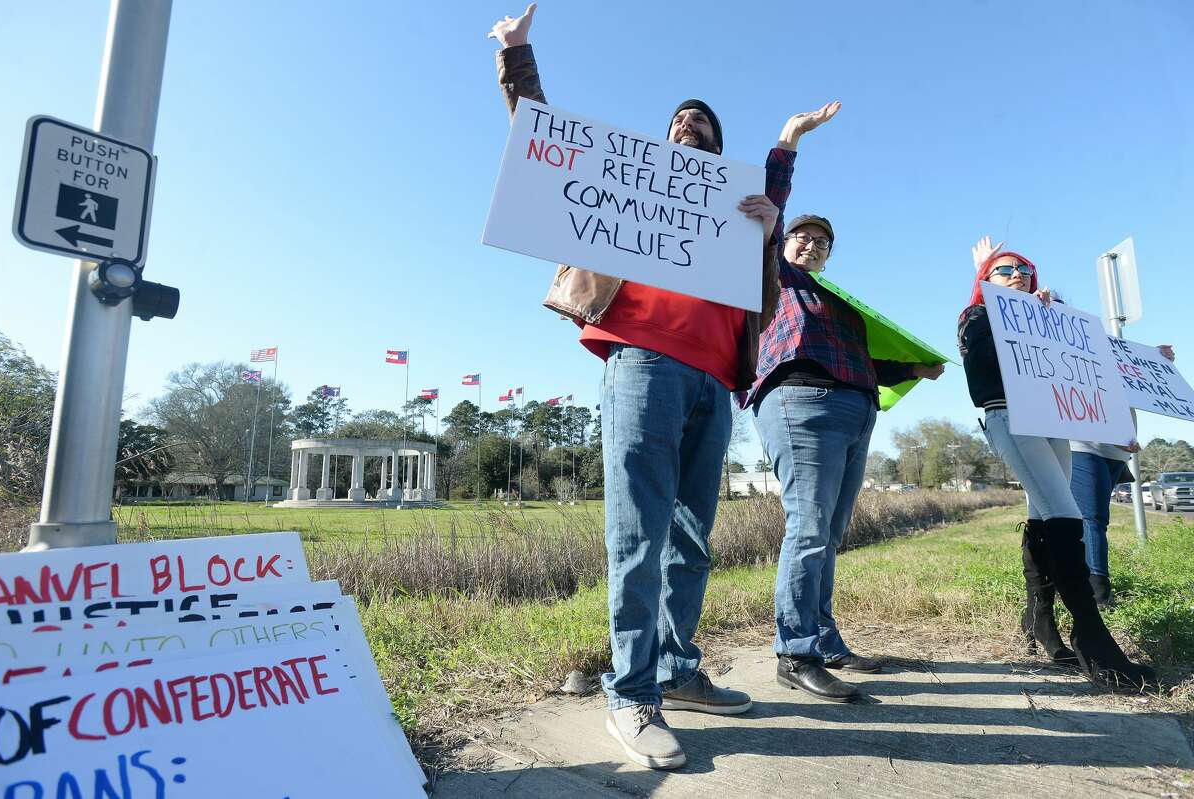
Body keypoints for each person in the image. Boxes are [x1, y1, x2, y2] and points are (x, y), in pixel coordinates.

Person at [489, 4, 781, 770]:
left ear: (721, 146)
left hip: (713, 383)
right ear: (664, 139)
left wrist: (771, 235)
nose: (689, 124)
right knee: (639, 536)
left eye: (703, 122)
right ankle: (632, 692)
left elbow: (768, 305)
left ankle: (680, 670)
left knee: (691, 540)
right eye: (680, 119)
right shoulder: (632, 186)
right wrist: (518, 58)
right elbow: (542, 145)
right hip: (642, 362)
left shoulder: (741, 214)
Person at [744, 119, 945, 703]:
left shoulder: (844, 307)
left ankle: (825, 640)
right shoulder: (773, 279)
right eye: (801, 236)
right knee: (807, 527)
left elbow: (868, 367)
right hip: (799, 403)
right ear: (783, 243)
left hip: (857, 411)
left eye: (821, 241)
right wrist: (790, 142)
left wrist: (914, 371)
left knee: (828, 534)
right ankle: (795, 652)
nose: (810, 244)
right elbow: (769, 214)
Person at [958, 238, 1157, 691]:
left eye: (1025, 270)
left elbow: (1092, 370)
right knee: (1066, 517)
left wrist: (1146, 366)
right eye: (1005, 271)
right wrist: (1020, 316)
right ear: (986, 281)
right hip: (1010, 415)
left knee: (1042, 513)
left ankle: (1041, 622)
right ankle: (1093, 641)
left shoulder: (1048, 315)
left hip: (1051, 418)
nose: (1018, 277)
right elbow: (983, 367)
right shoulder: (977, 316)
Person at [1071, 346, 1174, 606]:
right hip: (1084, 446)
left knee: (1094, 519)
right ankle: (1099, 594)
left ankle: (1082, 582)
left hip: (1118, 452)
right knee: (1093, 518)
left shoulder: (1106, 352)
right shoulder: (1071, 355)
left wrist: (1156, 358)